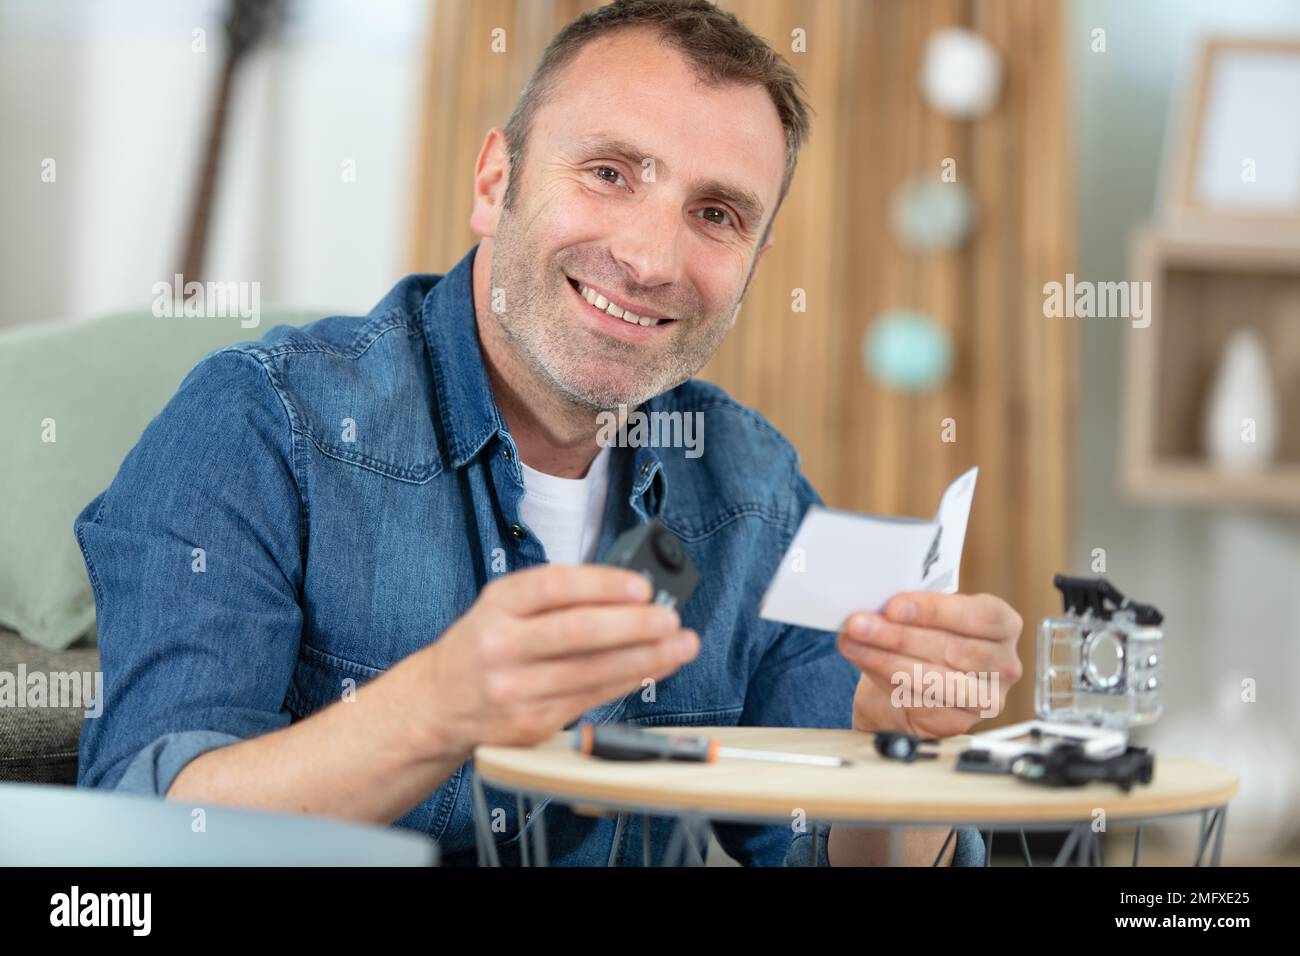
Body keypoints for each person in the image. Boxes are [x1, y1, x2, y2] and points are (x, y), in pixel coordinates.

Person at [77, 0, 1022, 866]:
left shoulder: (754, 493)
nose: (651, 258)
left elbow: (843, 855)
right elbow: (139, 848)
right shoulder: (260, 427)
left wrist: (910, 756)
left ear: (753, 265)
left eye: (716, 215)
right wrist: (436, 708)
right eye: (610, 173)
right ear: (496, 182)